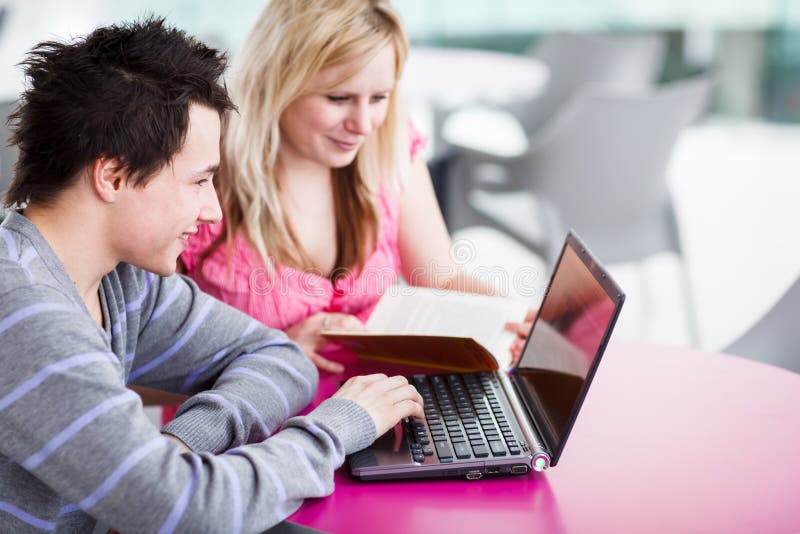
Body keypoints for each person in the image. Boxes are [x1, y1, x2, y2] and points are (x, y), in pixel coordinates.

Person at [0, 18, 423, 533]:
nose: (212, 211)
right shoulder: (25, 313)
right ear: (112, 176)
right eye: (200, 180)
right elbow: (192, 511)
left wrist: (185, 443)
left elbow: (279, 357)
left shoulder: (123, 281)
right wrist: (339, 427)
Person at [182, 0, 533, 374]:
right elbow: (136, 368)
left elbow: (440, 277)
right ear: (276, 82)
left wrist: (513, 317)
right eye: (339, 98)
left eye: (379, 98)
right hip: (259, 428)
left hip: (379, 416)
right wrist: (274, 350)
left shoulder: (389, 148)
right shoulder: (200, 173)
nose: (364, 124)